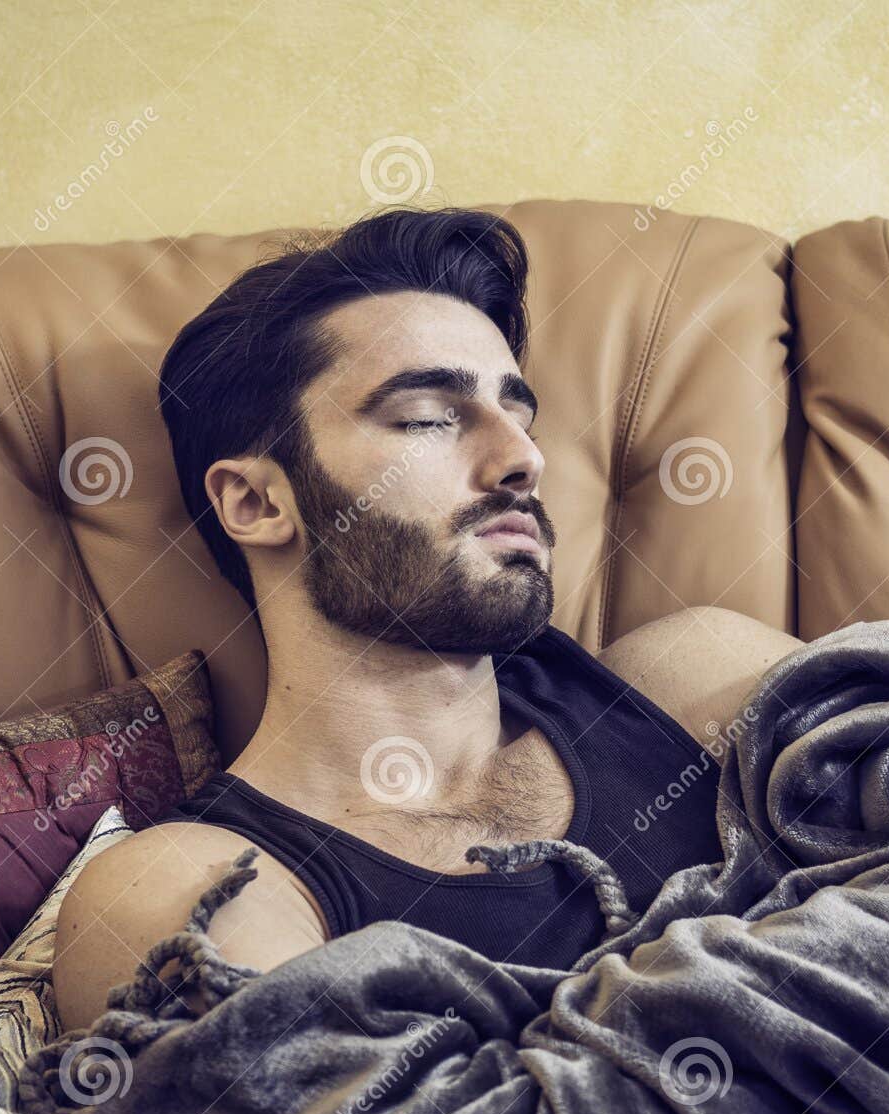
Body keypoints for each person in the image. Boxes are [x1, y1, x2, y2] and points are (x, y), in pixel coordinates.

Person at [54, 207, 800, 1029]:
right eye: (427, 419)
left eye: (518, 414)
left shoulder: (696, 681)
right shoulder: (198, 885)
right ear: (258, 501)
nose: (524, 458)